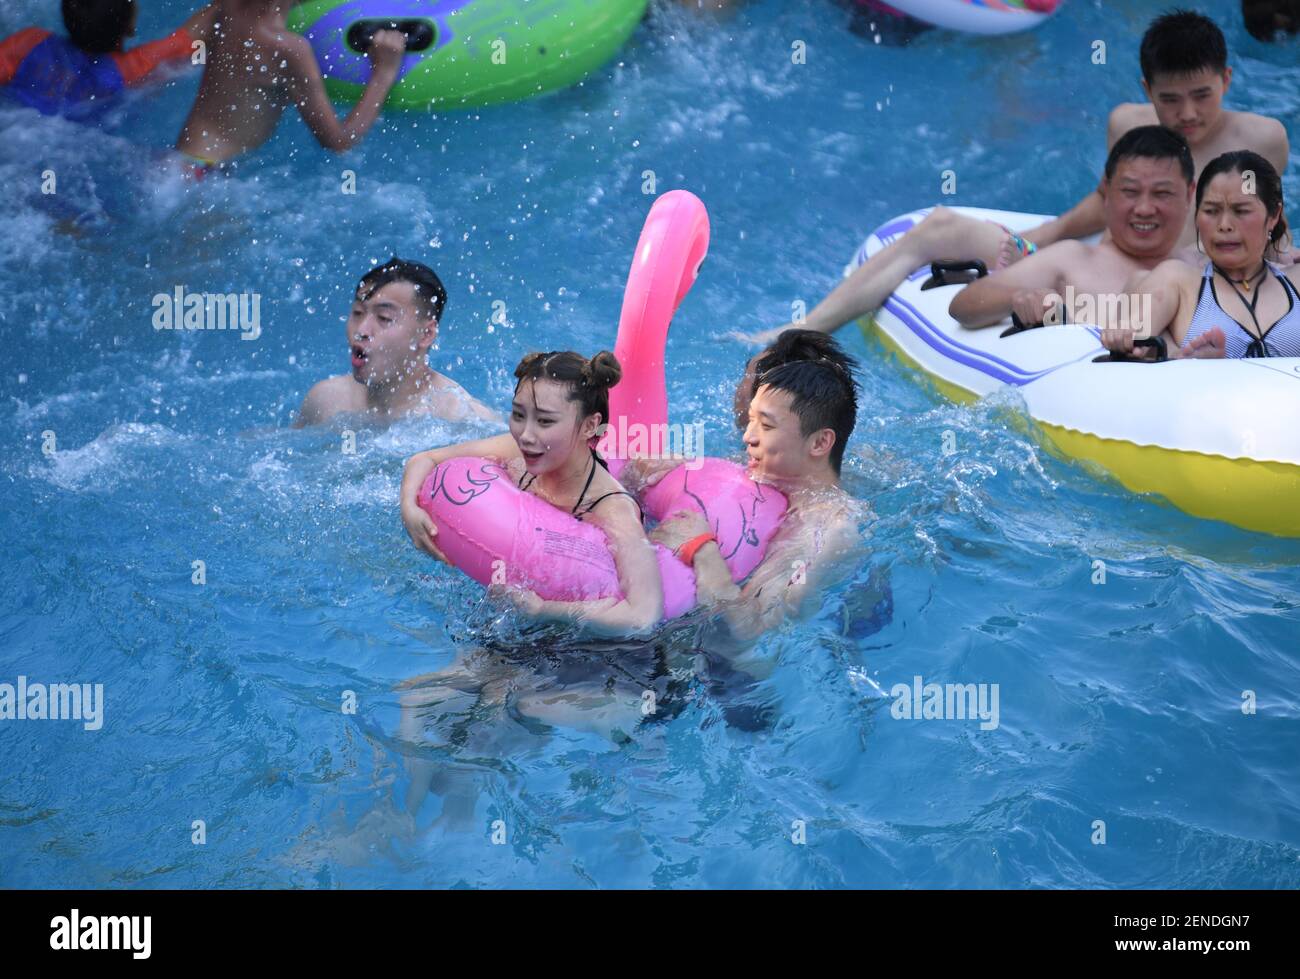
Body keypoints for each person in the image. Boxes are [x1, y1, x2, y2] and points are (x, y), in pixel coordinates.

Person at [744, 9, 1292, 344]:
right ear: (1148, 91)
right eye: (1171, 100)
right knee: (940, 225)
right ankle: (804, 328)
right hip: (1109, 258)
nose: (1188, 114)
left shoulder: (1263, 139)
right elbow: (1109, 206)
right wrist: (1037, 243)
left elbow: (1264, 218)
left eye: (1202, 96)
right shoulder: (1128, 122)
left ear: (1226, 79)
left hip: (1183, 269)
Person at [400, 350, 664, 635]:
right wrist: (409, 508)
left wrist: (544, 610)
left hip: (584, 647)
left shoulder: (611, 509)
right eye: (518, 415)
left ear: (589, 425)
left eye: (545, 421)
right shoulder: (517, 454)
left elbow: (644, 615)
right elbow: (425, 459)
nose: (525, 434)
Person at [948, 126, 1193, 331]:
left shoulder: (1201, 268)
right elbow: (964, 304)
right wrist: (1017, 299)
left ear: (1190, 194)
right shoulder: (1071, 260)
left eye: (1162, 193)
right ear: (1106, 191)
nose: (1144, 209)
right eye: (1130, 192)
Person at [1100, 151, 1298, 360]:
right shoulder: (1175, 280)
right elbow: (1125, 353)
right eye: (1211, 211)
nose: (1224, 226)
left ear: (1273, 215)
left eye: (1241, 211)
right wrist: (1179, 361)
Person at [175, 0, 405, 176]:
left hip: (181, 163)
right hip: (209, 176)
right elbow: (339, 142)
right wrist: (383, 73)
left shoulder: (227, 8)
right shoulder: (288, 49)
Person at [295, 257, 498, 427]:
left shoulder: (462, 419)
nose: (361, 330)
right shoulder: (325, 400)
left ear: (426, 334)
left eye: (384, 318)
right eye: (357, 313)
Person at [0, 0, 215, 118]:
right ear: (130, 27)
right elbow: (198, 31)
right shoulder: (129, 70)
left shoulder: (28, 43)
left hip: (18, 127)